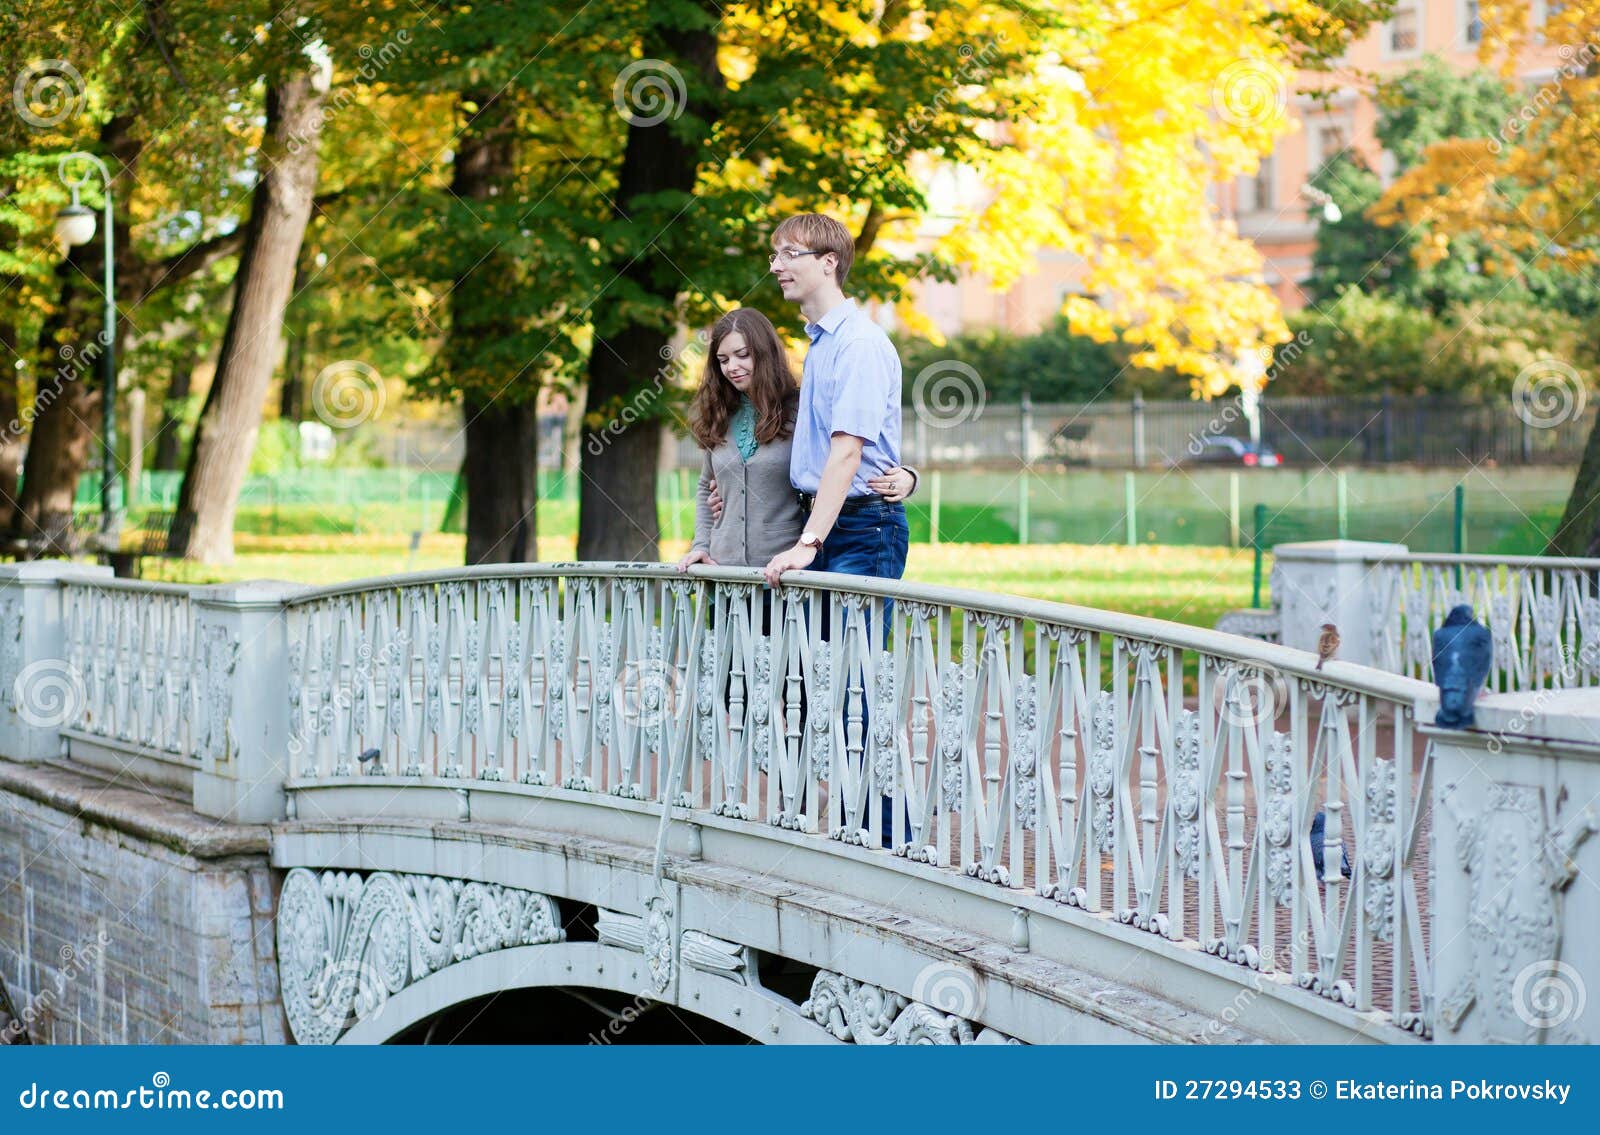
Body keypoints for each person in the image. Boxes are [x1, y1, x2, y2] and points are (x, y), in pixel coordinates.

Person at [676, 307, 916, 574]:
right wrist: (701, 545)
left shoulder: (802, 410)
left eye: (742, 355)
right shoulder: (719, 414)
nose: (732, 367)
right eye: (723, 360)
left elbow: (846, 456)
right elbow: (705, 487)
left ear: (765, 353)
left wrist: (908, 476)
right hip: (723, 572)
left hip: (784, 570)